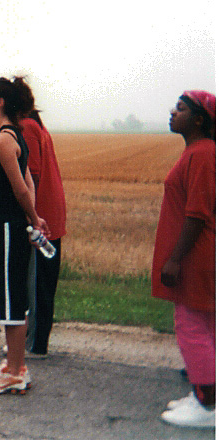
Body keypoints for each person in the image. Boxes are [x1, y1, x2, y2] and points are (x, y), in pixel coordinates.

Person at [0, 77, 48, 395]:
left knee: (9, 300)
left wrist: (33, 219)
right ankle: (14, 365)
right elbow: (29, 181)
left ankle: (15, 372)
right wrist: (34, 220)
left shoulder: (4, 140)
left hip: (6, 226)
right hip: (9, 226)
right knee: (11, 296)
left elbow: (20, 188)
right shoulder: (12, 134)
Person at [154, 90, 215, 428]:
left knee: (190, 326)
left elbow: (197, 213)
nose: (172, 112)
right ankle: (204, 394)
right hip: (198, 252)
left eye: (180, 108)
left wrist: (175, 259)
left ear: (199, 119)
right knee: (205, 326)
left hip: (195, 254)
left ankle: (207, 408)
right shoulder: (198, 151)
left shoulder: (203, 153)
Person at [20, 109, 66, 357]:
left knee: (37, 284)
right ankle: (34, 340)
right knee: (43, 283)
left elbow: (32, 177)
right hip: (50, 212)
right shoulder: (36, 125)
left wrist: (31, 217)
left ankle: (36, 345)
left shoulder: (26, 127)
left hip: (41, 216)